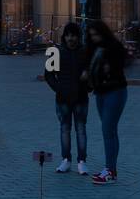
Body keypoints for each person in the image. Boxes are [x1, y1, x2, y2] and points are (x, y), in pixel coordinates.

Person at [86, 21, 129, 185]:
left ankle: (110, 170)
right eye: (91, 35)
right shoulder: (95, 48)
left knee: (108, 130)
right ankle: (111, 169)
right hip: (100, 92)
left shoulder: (114, 47)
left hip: (115, 91)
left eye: (96, 34)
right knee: (110, 131)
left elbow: (116, 70)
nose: (94, 38)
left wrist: (106, 70)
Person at [46, 22, 90, 175]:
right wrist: (59, 89)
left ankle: (82, 161)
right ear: (64, 36)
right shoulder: (55, 52)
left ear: (79, 37)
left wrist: (88, 83)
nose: (71, 38)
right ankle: (66, 160)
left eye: (74, 35)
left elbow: (92, 72)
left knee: (80, 129)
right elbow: (48, 75)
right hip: (63, 99)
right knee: (65, 129)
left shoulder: (85, 52)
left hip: (81, 97)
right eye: (68, 35)